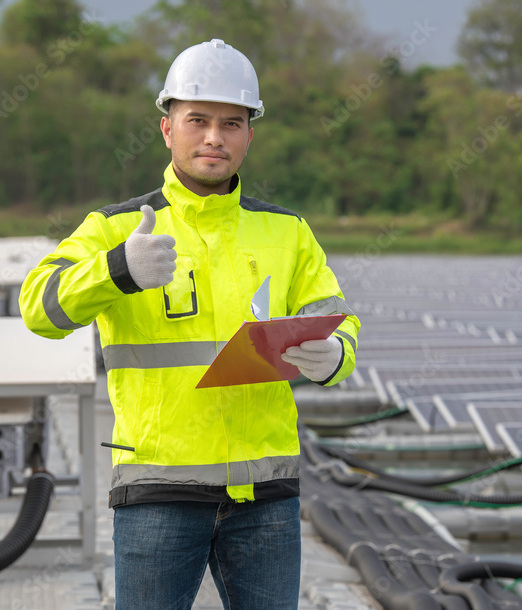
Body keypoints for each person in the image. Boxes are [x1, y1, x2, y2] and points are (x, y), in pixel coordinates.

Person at [19, 37, 360, 610]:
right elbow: (38, 308)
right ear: (166, 128)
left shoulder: (288, 232)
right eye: (197, 120)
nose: (213, 137)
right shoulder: (116, 227)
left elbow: (337, 320)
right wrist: (116, 269)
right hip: (158, 493)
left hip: (266, 496)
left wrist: (335, 357)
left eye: (232, 123)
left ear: (250, 134)